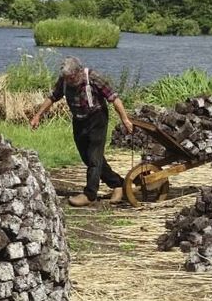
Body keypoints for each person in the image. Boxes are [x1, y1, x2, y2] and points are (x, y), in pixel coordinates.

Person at [29, 56, 134, 207]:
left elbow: (114, 98)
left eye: (71, 78)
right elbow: (52, 97)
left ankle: (90, 194)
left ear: (78, 72)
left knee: (94, 158)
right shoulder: (64, 81)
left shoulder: (93, 77)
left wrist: (125, 119)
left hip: (97, 119)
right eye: (67, 79)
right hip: (79, 120)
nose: (70, 82)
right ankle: (118, 184)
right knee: (88, 158)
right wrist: (37, 116)